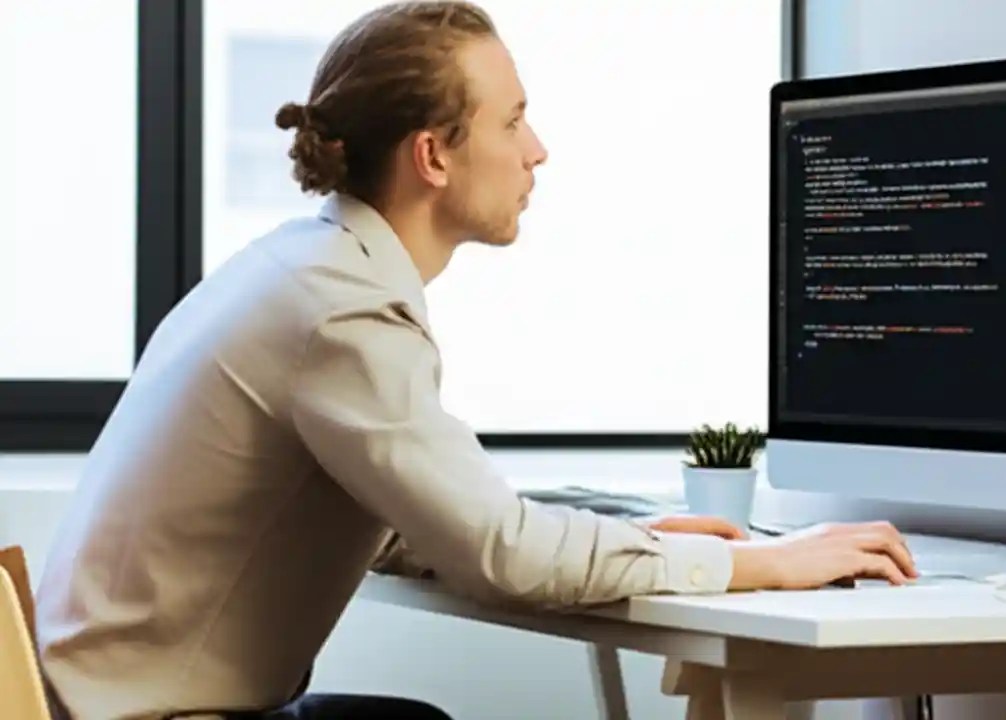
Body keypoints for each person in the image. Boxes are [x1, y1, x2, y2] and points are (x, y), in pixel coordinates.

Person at [33, 2, 916, 718]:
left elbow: (432, 528)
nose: (538, 149)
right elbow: (503, 555)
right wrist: (759, 561)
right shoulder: (345, 313)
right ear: (433, 156)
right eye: (514, 120)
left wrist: (634, 541)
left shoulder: (300, 269)